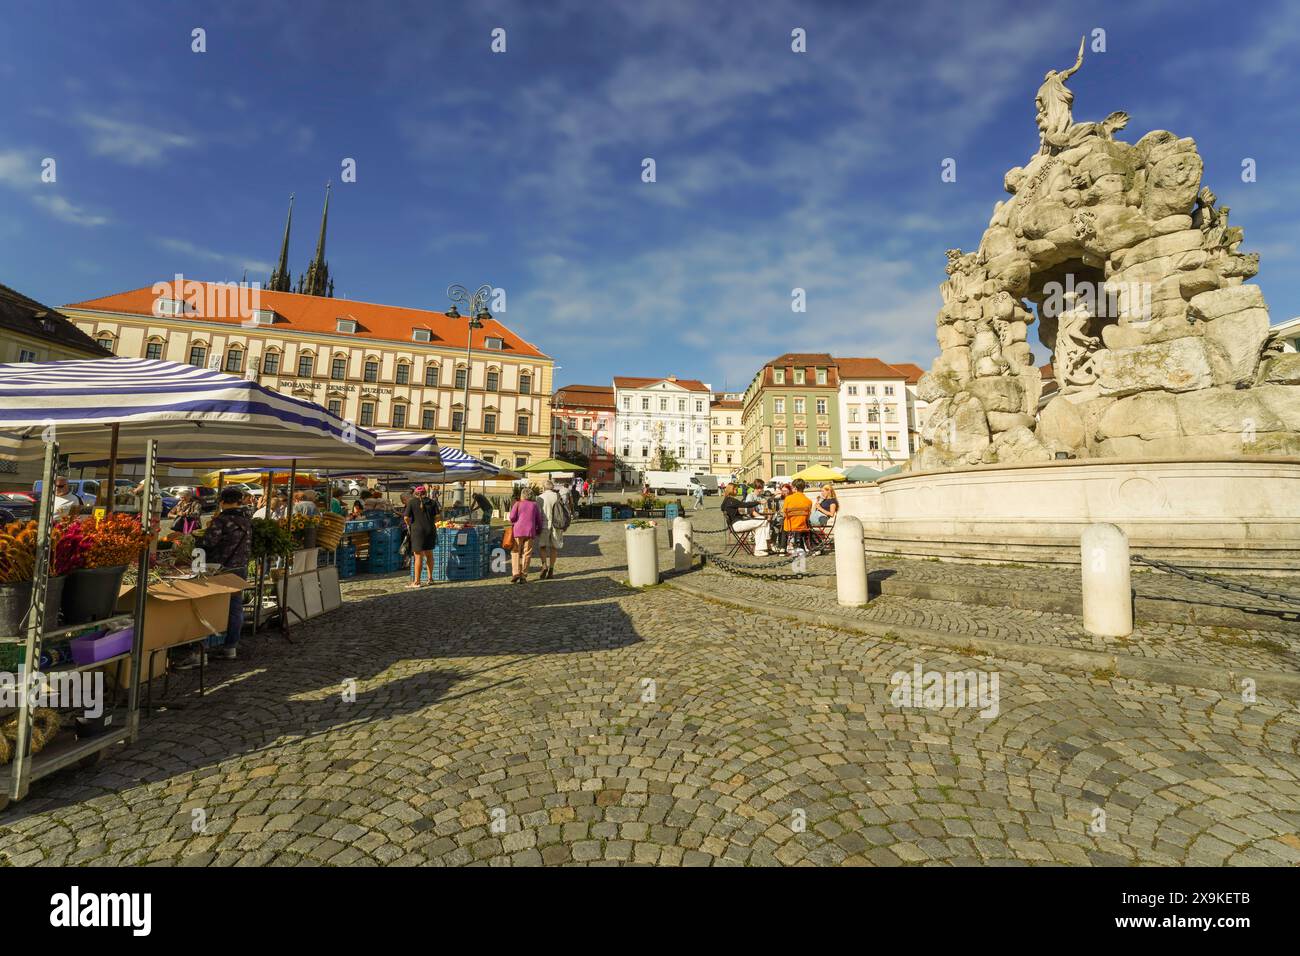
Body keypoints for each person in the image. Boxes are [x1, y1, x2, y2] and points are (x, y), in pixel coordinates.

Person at [197, 486, 252, 663]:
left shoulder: (221, 521)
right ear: (240, 500)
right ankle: (231, 647)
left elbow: (208, 542)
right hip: (240, 567)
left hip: (220, 568)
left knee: (211, 606)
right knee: (235, 608)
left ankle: (201, 649)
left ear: (221, 502)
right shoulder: (246, 520)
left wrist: (196, 538)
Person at [403, 485, 438, 587]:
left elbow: (406, 517)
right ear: (426, 493)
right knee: (429, 555)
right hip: (430, 530)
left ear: (415, 493)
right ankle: (430, 578)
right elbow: (438, 516)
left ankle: (417, 581)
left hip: (417, 531)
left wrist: (410, 524)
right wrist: (431, 522)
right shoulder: (432, 502)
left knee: (418, 556)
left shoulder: (412, 502)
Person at [721, 482, 770, 555]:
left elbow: (726, 509)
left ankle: (760, 550)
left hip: (735, 524)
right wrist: (759, 502)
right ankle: (767, 541)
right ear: (731, 490)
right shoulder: (731, 500)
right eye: (736, 490)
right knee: (763, 520)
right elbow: (746, 505)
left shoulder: (726, 500)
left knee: (760, 526)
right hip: (737, 524)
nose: (737, 491)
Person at [507, 486, 542, 583]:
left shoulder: (517, 504)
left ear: (522, 495)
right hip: (530, 531)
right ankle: (523, 575)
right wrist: (538, 530)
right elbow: (539, 520)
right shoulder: (534, 505)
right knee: (527, 553)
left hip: (518, 531)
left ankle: (515, 572)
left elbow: (512, 517)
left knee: (515, 551)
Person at [535, 481, 567, 580]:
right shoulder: (558, 496)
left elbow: (537, 513)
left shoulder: (539, 498)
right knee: (554, 548)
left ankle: (544, 565)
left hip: (544, 525)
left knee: (542, 546)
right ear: (552, 487)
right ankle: (551, 570)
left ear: (544, 488)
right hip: (556, 524)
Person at [782, 478, 814, 555]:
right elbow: (808, 517)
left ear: (795, 488)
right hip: (803, 526)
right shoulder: (808, 501)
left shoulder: (788, 498)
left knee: (781, 524)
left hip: (790, 526)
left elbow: (784, 514)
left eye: (792, 487)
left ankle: (782, 548)